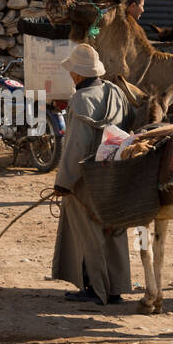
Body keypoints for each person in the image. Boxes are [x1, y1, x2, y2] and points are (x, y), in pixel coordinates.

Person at [51, 43, 132, 307]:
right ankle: (116, 288)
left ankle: (96, 290)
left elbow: (76, 146)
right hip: (115, 174)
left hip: (86, 180)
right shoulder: (116, 92)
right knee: (114, 232)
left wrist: (63, 183)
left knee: (90, 234)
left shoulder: (80, 100)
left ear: (76, 74)